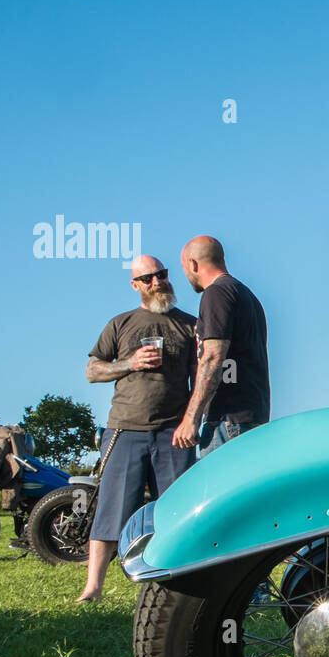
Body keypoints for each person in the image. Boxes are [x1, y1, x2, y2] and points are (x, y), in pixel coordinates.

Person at [79, 255, 197, 603]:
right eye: (148, 278)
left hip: (173, 432)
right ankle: (93, 588)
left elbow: (199, 378)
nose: (157, 282)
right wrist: (129, 363)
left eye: (161, 275)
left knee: (176, 508)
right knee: (113, 507)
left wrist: (192, 420)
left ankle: (177, 580)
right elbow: (91, 371)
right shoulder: (121, 323)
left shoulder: (189, 325)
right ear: (135, 285)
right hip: (125, 428)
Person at [173, 235, 270, 456]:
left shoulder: (216, 293)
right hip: (248, 418)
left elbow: (213, 357)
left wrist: (191, 419)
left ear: (192, 264)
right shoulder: (244, 293)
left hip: (227, 421)